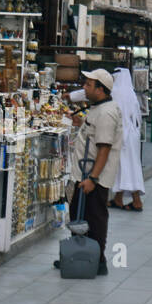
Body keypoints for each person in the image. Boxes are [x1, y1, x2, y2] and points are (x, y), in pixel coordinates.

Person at [54, 68, 121, 275]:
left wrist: (93, 178)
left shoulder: (107, 113)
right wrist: (80, 123)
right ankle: (76, 255)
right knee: (79, 215)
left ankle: (96, 260)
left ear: (100, 89)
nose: (84, 87)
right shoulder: (98, 108)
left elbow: (104, 148)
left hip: (93, 177)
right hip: (85, 174)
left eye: (89, 85)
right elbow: (94, 134)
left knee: (94, 218)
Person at [109, 67, 145, 211]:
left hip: (122, 135)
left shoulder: (116, 93)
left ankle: (137, 201)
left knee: (128, 168)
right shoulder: (131, 93)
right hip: (132, 135)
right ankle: (118, 199)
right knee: (124, 167)